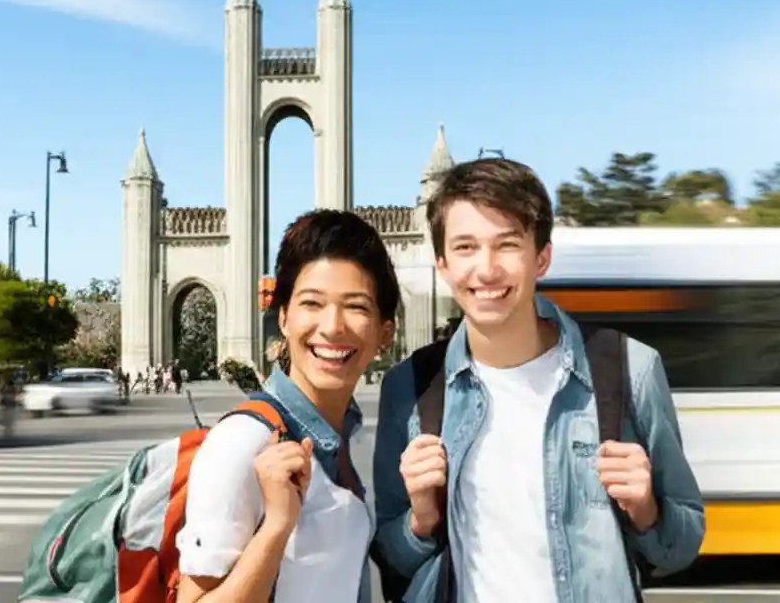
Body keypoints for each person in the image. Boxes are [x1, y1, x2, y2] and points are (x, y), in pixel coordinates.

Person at [372, 158, 705, 602]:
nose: (486, 269)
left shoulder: (628, 369)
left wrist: (646, 510)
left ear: (541, 257)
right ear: (443, 264)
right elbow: (391, 559)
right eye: (466, 247)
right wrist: (421, 520)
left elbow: (682, 543)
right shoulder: (410, 388)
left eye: (507, 244)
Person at [174, 208, 401, 603]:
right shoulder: (242, 442)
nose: (332, 326)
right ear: (284, 317)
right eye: (312, 303)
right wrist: (277, 526)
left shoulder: (343, 433)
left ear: (385, 332)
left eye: (357, 306)